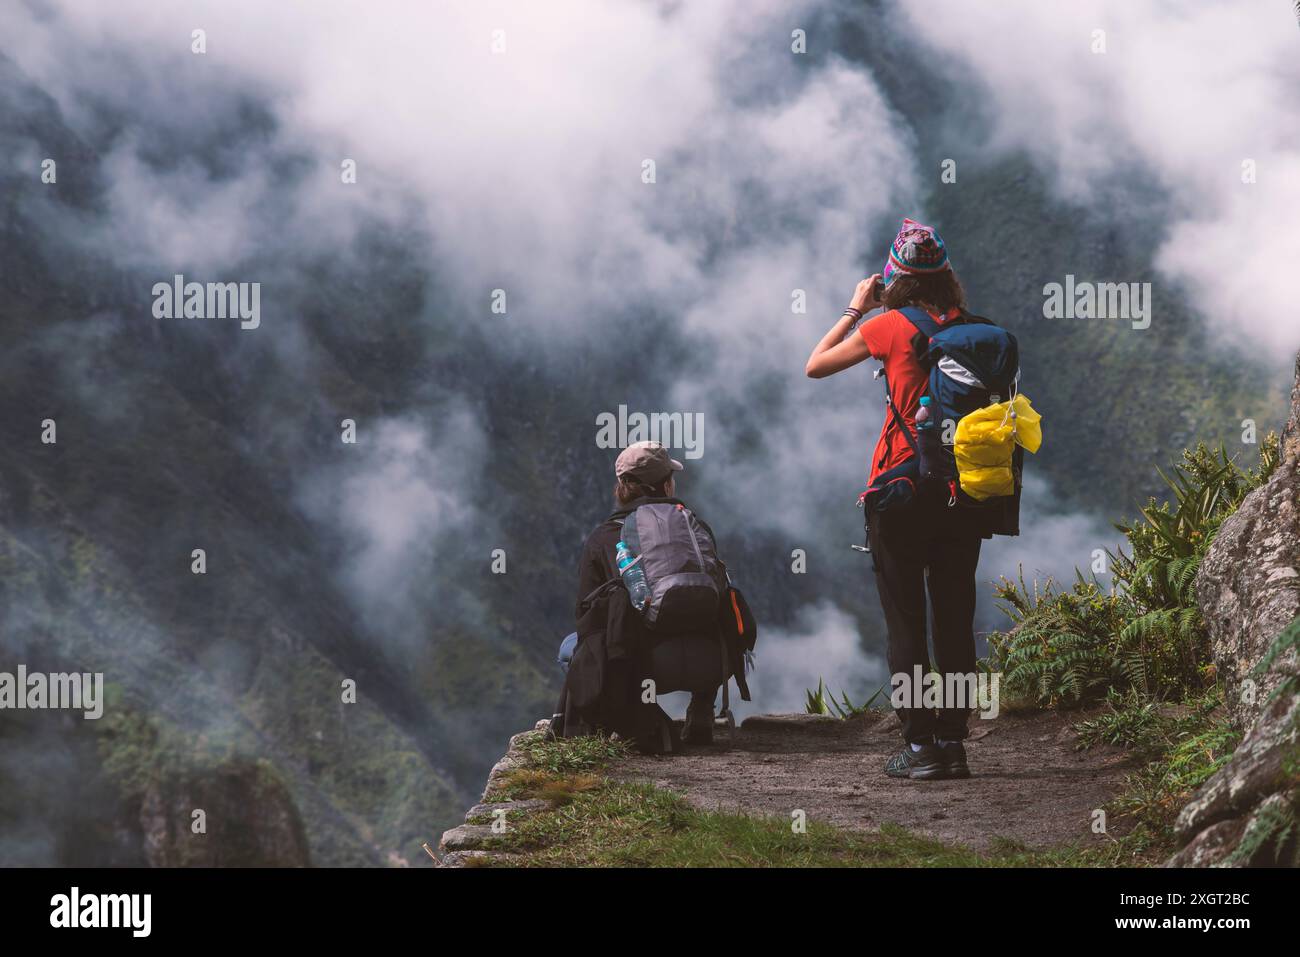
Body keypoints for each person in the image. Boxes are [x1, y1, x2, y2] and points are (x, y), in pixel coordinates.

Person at [805, 218, 989, 781]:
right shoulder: (976, 331)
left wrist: (855, 307)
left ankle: (920, 746)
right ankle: (955, 746)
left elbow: (816, 365)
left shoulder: (887, 326)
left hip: (901, 489)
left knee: (906, 623)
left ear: (894, 279)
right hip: (963, 492)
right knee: (955, 619)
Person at [559, 440, 747, 749]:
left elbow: (586, 617)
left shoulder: (602, 537)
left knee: (570, 648)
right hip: (712, 663)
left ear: (622, 486)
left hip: (642, 666)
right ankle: (702, 709)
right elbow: (721, 595)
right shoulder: (695, 527)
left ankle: (632, 716)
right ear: (666, 484)